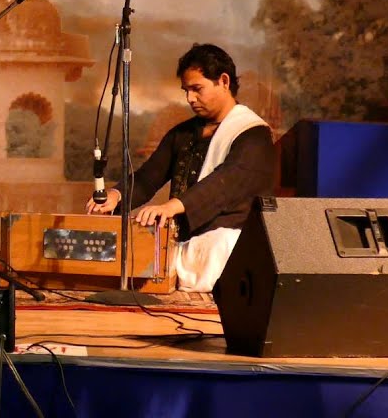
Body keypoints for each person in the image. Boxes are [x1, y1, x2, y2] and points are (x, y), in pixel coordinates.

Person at [86, 43, 276, 292]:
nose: (190, 99)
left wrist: (171, 207)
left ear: (224, 81)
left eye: (197, 89)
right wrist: (116, 195)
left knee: (218, 246)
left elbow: (224, 183)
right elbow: (147, 178)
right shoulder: (183, 133)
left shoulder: (253, 134)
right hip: (181, 242)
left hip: (225, 240)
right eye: (186, 91)